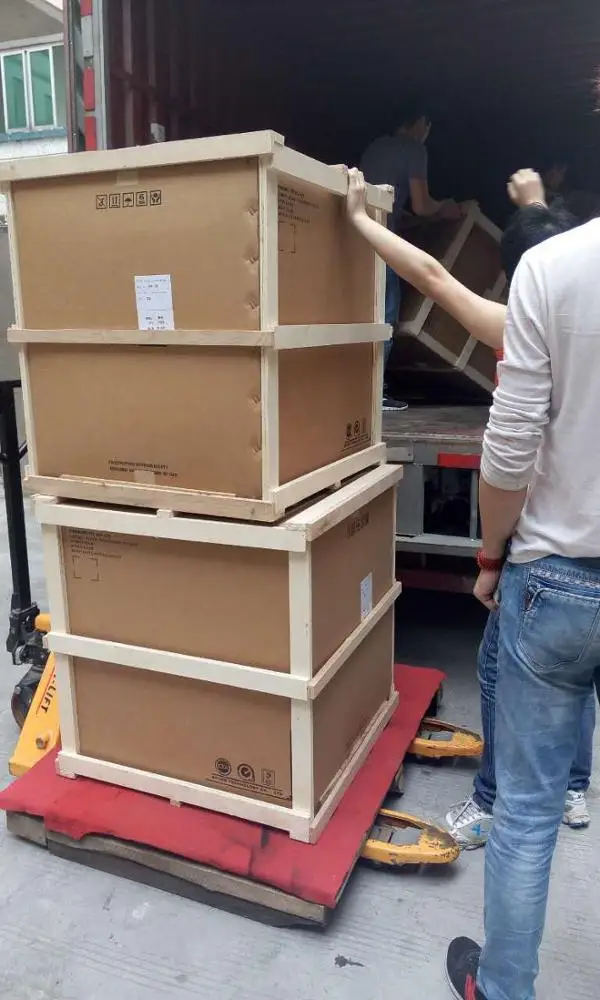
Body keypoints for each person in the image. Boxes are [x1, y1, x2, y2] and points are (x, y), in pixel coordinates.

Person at [345, 166, 595, 847]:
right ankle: (575, 789)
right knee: (580, 677)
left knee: (503, 670)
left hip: (544, 543)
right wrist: (537, 202)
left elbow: (431, 277)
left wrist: (362, 221)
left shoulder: (518, 322)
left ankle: (488, 801)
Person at [444, 183, 600, 998]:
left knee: (528, 815)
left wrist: (490, 557)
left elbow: (509, 451)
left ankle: (503, 989)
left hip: (558, 575)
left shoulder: (554, 267)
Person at [360, 106, 468, 409]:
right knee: (386, 316)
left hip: (360, 235)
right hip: (383, 241)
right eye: (427, 124)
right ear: (419, 122)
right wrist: (446, 207)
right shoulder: (413, 148)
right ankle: (374, 394)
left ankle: (359, 387)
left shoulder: (375, 147)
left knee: (366, 316)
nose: (427, 131)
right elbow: (422, 205)